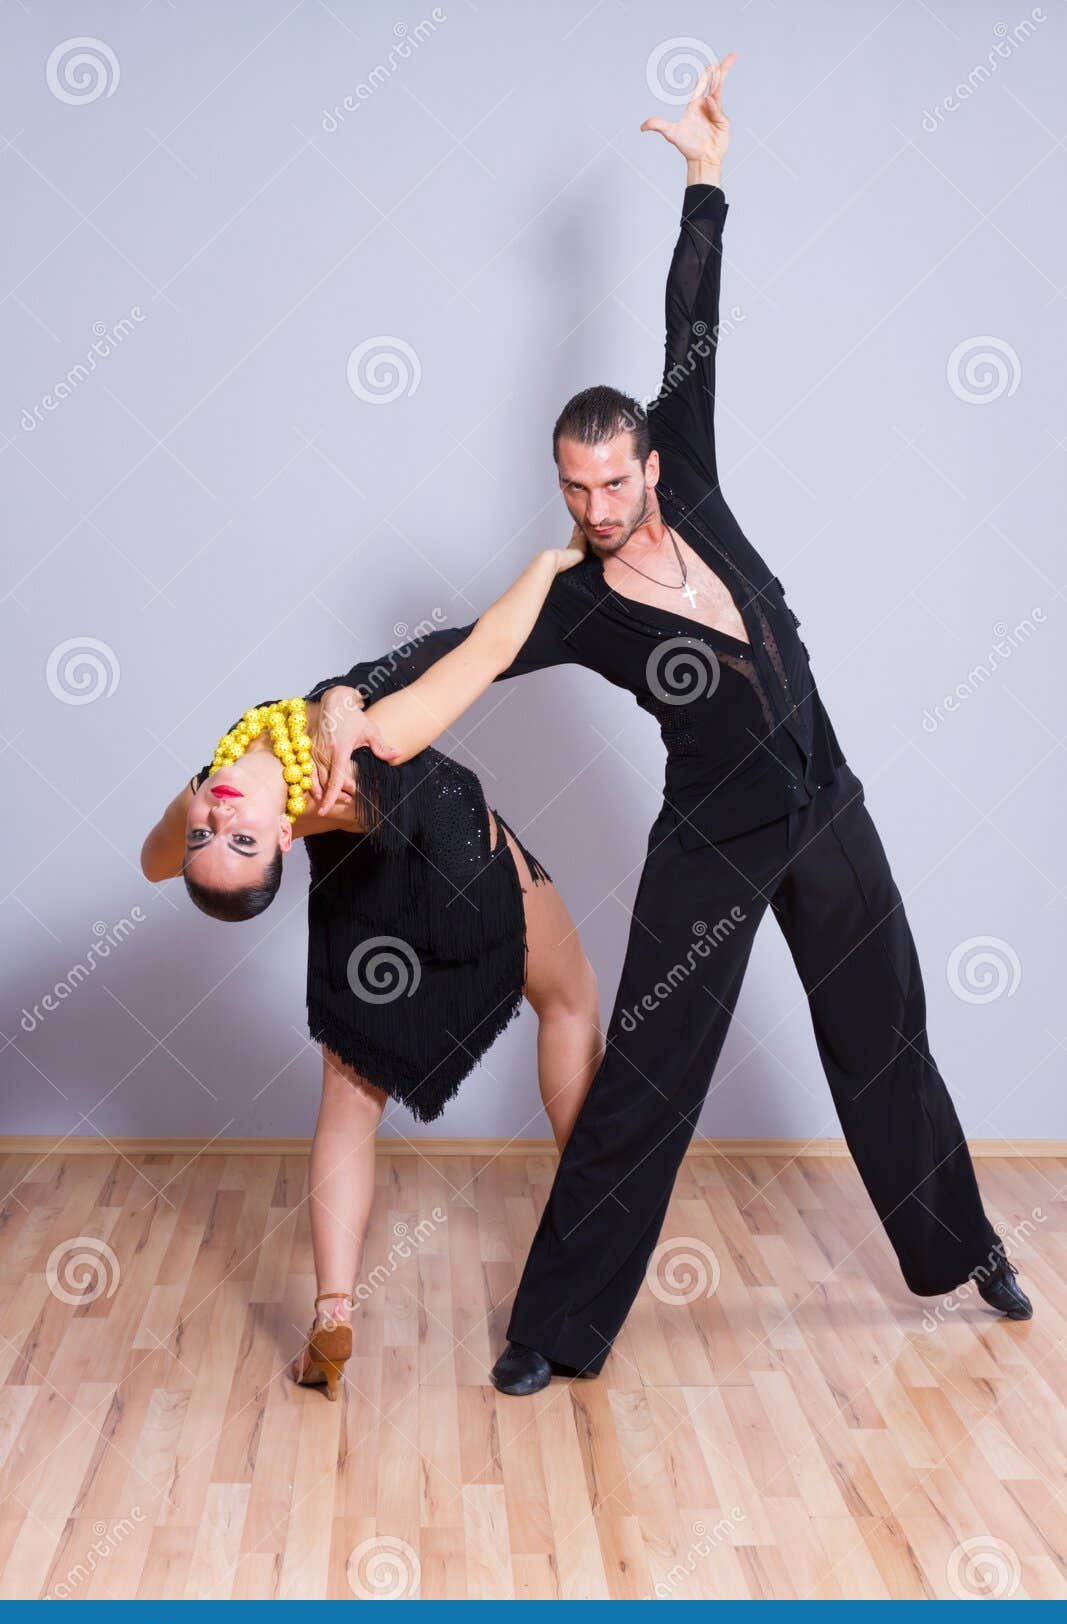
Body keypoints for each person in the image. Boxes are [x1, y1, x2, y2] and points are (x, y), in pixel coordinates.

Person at [308, 53, 1031, 1395]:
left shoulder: (682, 464)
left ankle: (961, 1244)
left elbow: (690, 318)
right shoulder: (574, 602)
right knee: (644, 1075)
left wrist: (702, 174)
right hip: (710, 839)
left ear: (645, 458)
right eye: (570, 487)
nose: (591, 505)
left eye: (608, 478)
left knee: (885, 1034)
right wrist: (352, 691)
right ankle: (550, 1329)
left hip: (824, 799)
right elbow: (454, 650)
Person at [140, 537, 602, 1399]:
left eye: (217, 832)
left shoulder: (216, 785)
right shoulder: (346, 761)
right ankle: (597, 1234)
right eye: (240, 843)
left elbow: (154, 863)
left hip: (374, 921)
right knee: (572, 1002)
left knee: (350, 1109)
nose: (221, 823)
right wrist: (548, 563)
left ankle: (334, 1314)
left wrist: (189, 828)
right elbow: (485, 654)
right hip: (464, 880)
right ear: (284, 839)